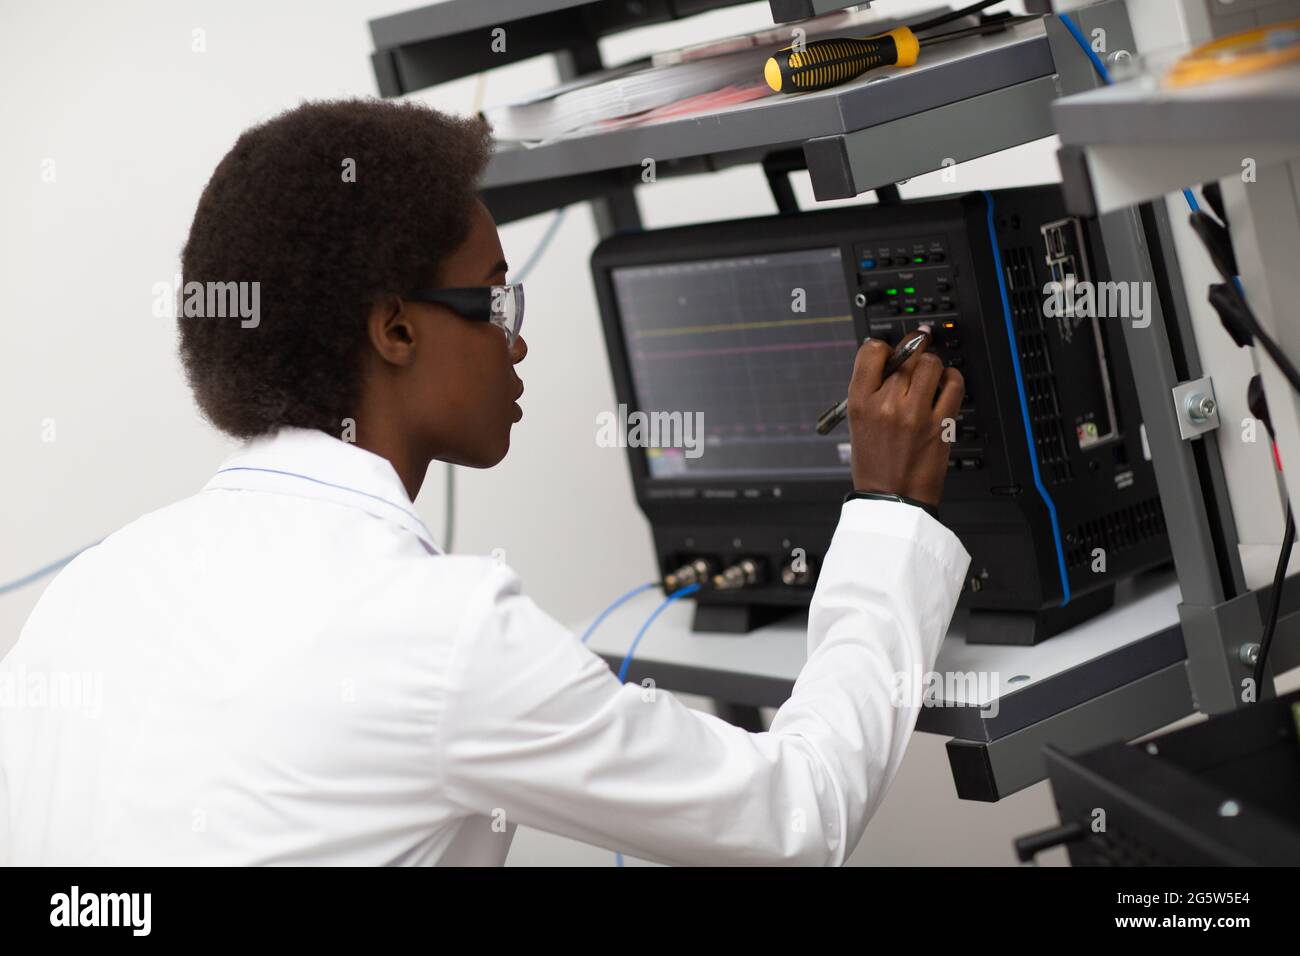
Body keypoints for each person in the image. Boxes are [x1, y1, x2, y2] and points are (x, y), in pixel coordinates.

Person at [0, 99, 967, 866]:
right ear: (396, 329)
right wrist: (886, 514)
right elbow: (798, 817)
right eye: (496, 297)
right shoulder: (437, 635)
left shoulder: (91, 590)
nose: (519, 338)